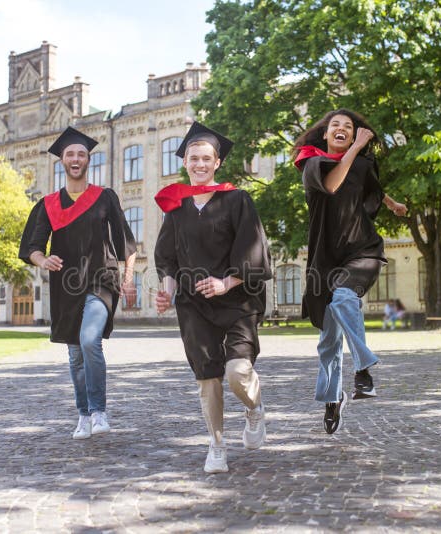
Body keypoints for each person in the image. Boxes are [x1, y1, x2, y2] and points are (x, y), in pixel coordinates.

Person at [154, 121, 272, 473]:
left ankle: (254, 408)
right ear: (185, 162)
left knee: (237, 372)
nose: (200, 164)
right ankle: (217, 444)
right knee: (208, 377)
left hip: (238, 300)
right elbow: (167, 260)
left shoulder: (236, 199)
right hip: (194, 305)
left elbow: (255, 250)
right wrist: (167, 292)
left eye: (207, 158)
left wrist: (227, 282)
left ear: (217, 162)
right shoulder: (176, 207)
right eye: (194, 158)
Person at [294, 109, 408, 434]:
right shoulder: (312, 165)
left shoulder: (361, 163)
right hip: (324, 262)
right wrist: (356, 147)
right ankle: (333, 398)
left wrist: (392, 205)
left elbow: (371, 185)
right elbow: (333, 186)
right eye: (336, 126)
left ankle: (363, 371)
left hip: (363, 251)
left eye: (349, 127)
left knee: (345, 297)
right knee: (328, 341)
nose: (342, 129)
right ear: (325, 135)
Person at [19, 126, 137, 440]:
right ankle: (83, 415)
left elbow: (127, 244)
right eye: (70, 153)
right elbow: (31, 247)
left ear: (88, 160)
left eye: (81, 154)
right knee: (75, 355)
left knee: (88, 340)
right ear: (61, 160)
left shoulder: (104, 198)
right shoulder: (48, 205)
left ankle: (99, 410)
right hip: (66, 286)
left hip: (102, 279)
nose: (76, 158)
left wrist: (128, 281)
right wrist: (43, 261)